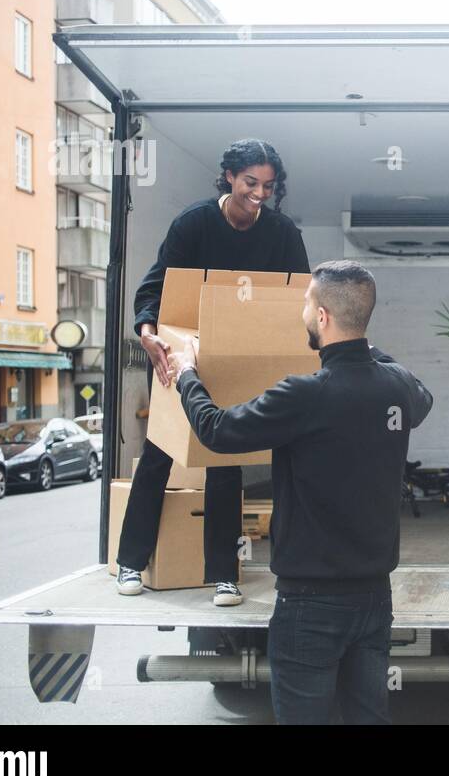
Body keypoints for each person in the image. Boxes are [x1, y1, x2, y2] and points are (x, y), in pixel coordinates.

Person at [170, 260, 433, 724]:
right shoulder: (397, 388)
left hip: (309, 605)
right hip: (374, 600)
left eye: (308, 302)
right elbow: (420, 394)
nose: (303, 311)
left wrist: (187, 373)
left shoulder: (304, 396)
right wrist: (365, 344)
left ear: (324, 317)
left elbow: (217, 430)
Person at [115, 139, 310, 606]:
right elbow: (154, 286)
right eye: (250, 183)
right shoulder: (194, 223)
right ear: (229, 176)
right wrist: (147, 334)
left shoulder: (282, 233)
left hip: (234, 353)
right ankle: (129, 562)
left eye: (268, 185)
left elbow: (300, 296)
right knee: (160, 454)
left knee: (225, 461)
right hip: (177, 348)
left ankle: (223, 574)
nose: (259, 193)